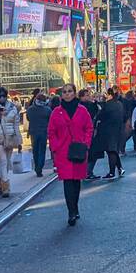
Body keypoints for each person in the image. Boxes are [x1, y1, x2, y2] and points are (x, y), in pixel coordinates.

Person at [47, 83, 93, 226]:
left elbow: (89, 128)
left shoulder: (82, 110)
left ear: (74, 93)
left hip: (79, 149)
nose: (67, 94)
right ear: (62, 95)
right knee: (67, 181)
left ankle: (75, 206)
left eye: (70, 91)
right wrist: (55, 147)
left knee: (76, 181)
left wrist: (86, 143)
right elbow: (51, 131)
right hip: (63, 152)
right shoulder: (56, 112)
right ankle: (71, 211)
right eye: (65, 92)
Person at [0, 87, 23, 197]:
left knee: (6, 161)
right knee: (3, 161)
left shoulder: (13, 108)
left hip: (10, 137)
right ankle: (6, 187)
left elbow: (16, 125)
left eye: (3, 96)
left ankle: (1, 184)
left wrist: (19, 140)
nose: (1, 98)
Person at [96, 87, 128, 180]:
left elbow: (100, 116)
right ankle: (120, 168)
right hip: (119, 130)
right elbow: (125, 116)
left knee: (111, 151)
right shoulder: (119, 104)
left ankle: (112, 172)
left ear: (109, 95)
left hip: (109, 131)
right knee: (113, 150)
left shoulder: (107, 105)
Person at [26, 88, 53, 177]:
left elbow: (28, 119)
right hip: (43, 132)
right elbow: (50, 120)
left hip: (33, 131)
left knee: (35, 150)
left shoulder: (30, 109)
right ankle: (39, 168)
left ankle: (37, 165)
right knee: (42, 150)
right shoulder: (47, 110)